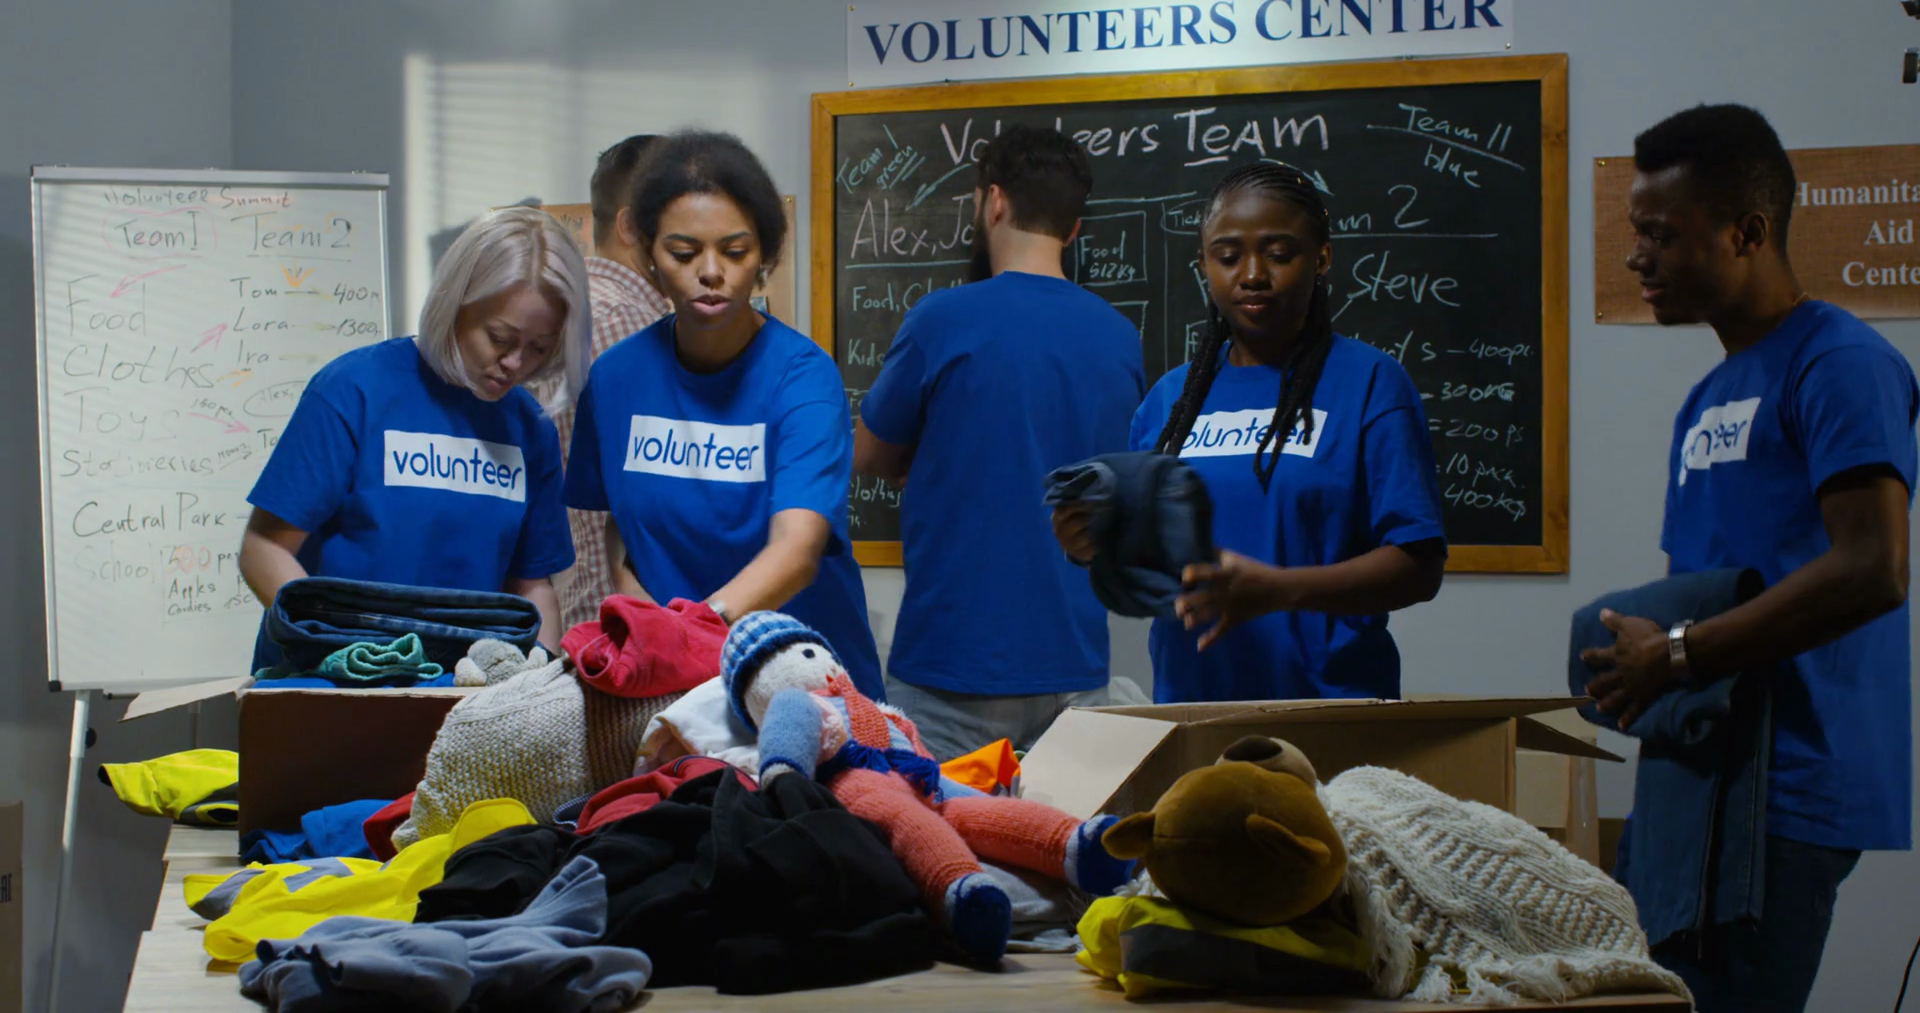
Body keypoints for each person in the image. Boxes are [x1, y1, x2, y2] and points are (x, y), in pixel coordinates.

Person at [1581, 104, 1915, 1013]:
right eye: (1634, 232)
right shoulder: (1706, 398)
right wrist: (1635, 655)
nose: (1634, 255)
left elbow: (1875, 567)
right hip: (1696, 777)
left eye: (1659, 233)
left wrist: (1679, 652)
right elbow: (1689, 583)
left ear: (1747, 231)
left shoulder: (1840, 363)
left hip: (1789, 783)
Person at [1053, 161, 1447, 703]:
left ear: (1322, 258)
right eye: (1229, 256)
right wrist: (1095, 543)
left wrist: (1279, 591)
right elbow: (1155, 564)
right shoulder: (1169, 400)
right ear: (1204, 265)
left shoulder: (1371, 382)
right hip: (1191, 712)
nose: (1253, 274)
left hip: (1333, 713)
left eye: (1280, 253)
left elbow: (1419, 567)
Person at [853, 125, 1145, 760]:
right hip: (1074, 662)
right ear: (1073, 229)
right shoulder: (1122, 338)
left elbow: (870, 453)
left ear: (992, 202)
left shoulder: (941, 319)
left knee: (935, 851)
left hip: (950, 662)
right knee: (1056, 849)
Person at [564, 130, 884, 698]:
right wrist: (644, 620)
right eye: (683, 253)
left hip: (803, 686)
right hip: (676, 687)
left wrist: (689, 634)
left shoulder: (801, 376)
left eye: (735, 252)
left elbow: (798, 548)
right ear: (649, 256)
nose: (710, 271)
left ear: (763, 257)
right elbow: (619, 520)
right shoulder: (615, 379)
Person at [240, 206, 586, 659]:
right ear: (454, 304)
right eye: (499, 338)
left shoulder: (528, 426)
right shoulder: (354, 390)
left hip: (461, 694)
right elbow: (263, 548)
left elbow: (532, 584)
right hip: (328, 684)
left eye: (539, 348)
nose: (516, 363)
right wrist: (337, 650)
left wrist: (534, 674)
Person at [550, 134, 674, 633]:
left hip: (580, 609)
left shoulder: (571, 305)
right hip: (625, 623)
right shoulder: (626, 322)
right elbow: (648, 492)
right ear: (629, 225)